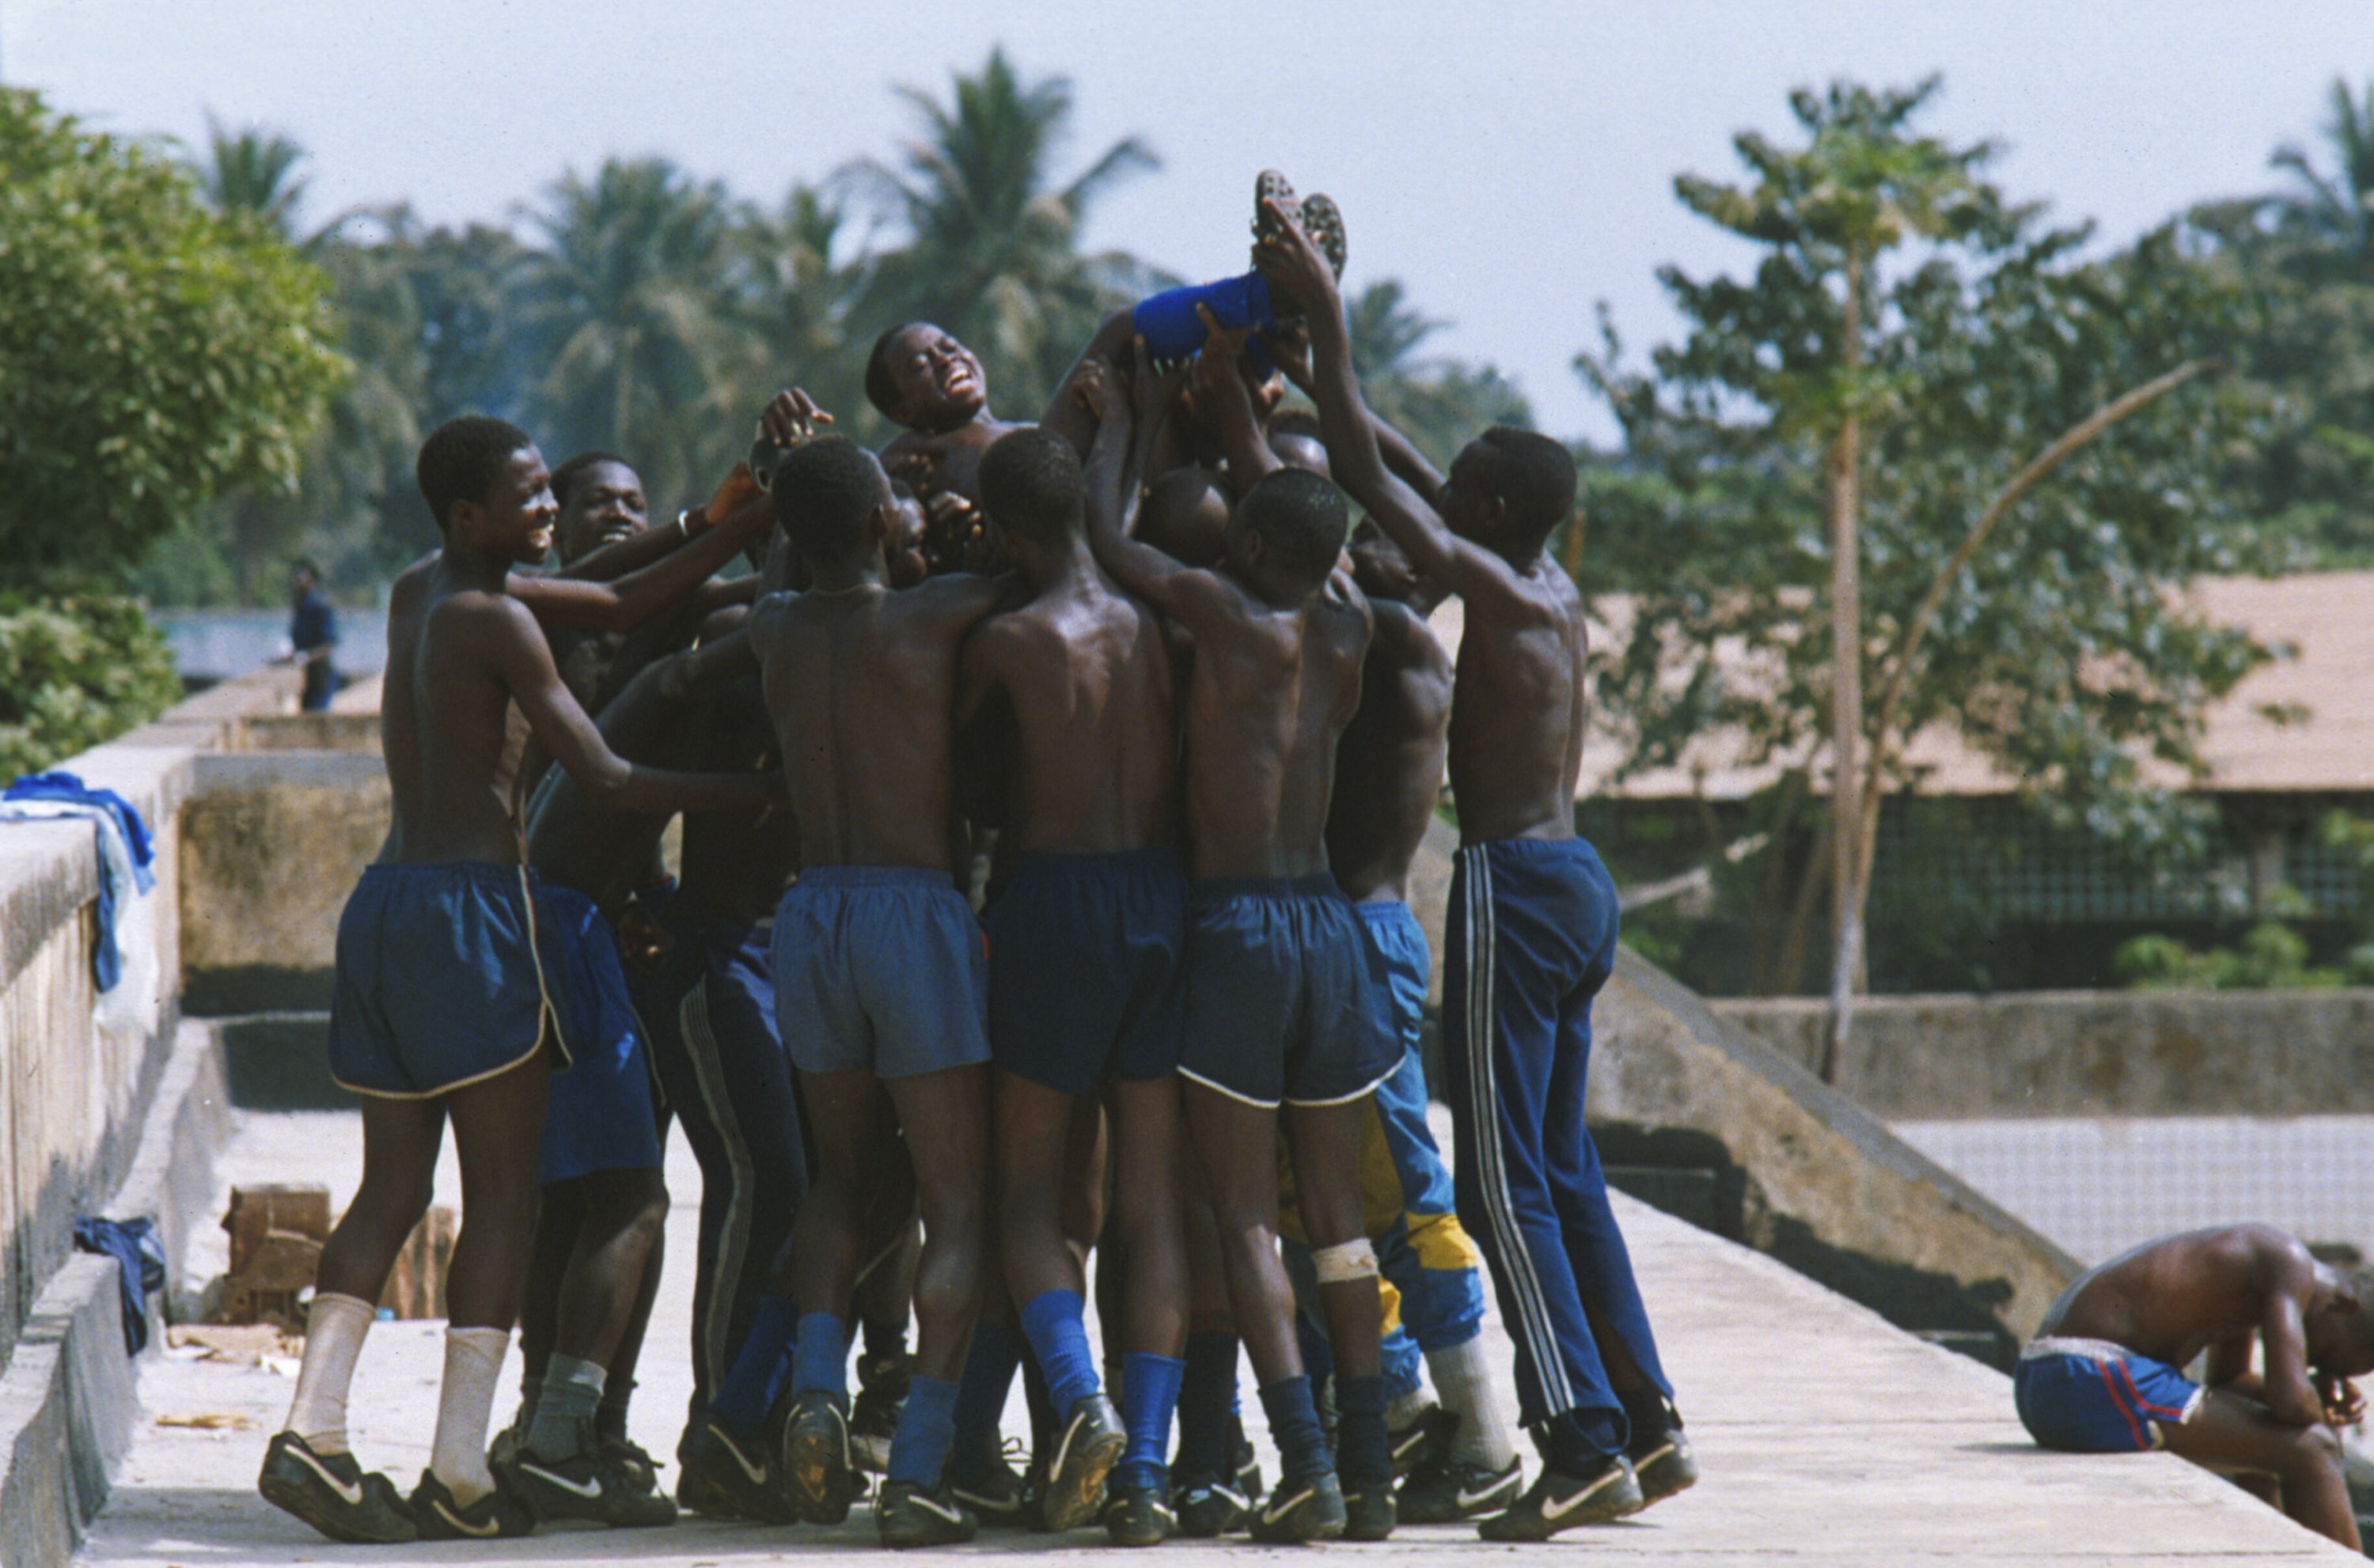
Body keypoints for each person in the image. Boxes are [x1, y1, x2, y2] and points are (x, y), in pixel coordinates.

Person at [256, 416, 777, 1543]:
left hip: (385, 903)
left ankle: (313, 1432)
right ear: (468, 515)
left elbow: (613, 595)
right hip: (476, 913)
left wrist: (715, 518)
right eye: (530, 496)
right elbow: (606, 767)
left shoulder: (420, 589)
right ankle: (461, 1473)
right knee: (504, 1195)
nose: (547, 510)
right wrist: (756, 795)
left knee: (391, 1188)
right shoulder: (500, 618)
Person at [1261, 201, 1693, 1539]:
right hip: (1581, 876)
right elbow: (1392, 455)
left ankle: (1577, 1440)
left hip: (1516, 882)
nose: (1431, 500)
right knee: (1566, 1169)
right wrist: (1316, 360)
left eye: (1456, 492)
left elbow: (1356, 460)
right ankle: (1646, 1416)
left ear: (1489, 512)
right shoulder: (1546, 583)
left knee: (1504, 1188)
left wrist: (1325, 307)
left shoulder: (1490, 587)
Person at [1075, 351, 1400, 1543]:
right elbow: (1314, 533)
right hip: (1330, 925)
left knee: (1244, 1220)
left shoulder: (1226, 614)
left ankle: (1304, 1462)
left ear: (1252, 547)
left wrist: (1130, 419)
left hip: (1239, 925)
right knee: (1338, 1216)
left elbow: (1110, 544)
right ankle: (1369, 1468)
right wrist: (1250, 435)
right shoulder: (1353, 620)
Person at [747, 434, 1013, 1547]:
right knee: (957, 1201)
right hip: (915, 912)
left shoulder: (771, 625)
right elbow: (1041, 559)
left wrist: (790, 488)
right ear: (873, 527)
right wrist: (962, 526)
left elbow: (782, 564)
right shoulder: (934, 615)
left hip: (812, 914)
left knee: (839, 1177)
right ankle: (918, 1464)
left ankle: (816, 1379)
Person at [956, 426, 1189, 1545]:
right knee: (1150, 1203)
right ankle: (1144, 1468)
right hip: (1160, 898)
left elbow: (951, 768)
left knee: (1026, 1195)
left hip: (1056, 903)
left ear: (1005, 532)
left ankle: (1078, 1394)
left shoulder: (1009, 638)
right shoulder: (1158, 621)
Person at [2017, 1224, 2374, 1551]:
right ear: (2343, 1305)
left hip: (2051, 1379)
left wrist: (2311, 1395)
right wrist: (2316, 1406)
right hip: (2088, 1373)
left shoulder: (2255, 1266)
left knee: (2264, 1441)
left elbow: (2230, 1382)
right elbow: (2291, 1401)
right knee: (2315, 1449)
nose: (2310, 1361)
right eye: (2327, 1356)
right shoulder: (2291, 1263)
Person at [284, 559, 338, 712]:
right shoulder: (299, 608)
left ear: (312, 581)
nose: (297, 582)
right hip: (303, 676)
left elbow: (329, 645)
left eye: (301, 578)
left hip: (320, 676)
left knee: (317, 714)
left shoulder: (320, 607)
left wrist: (306, 657)